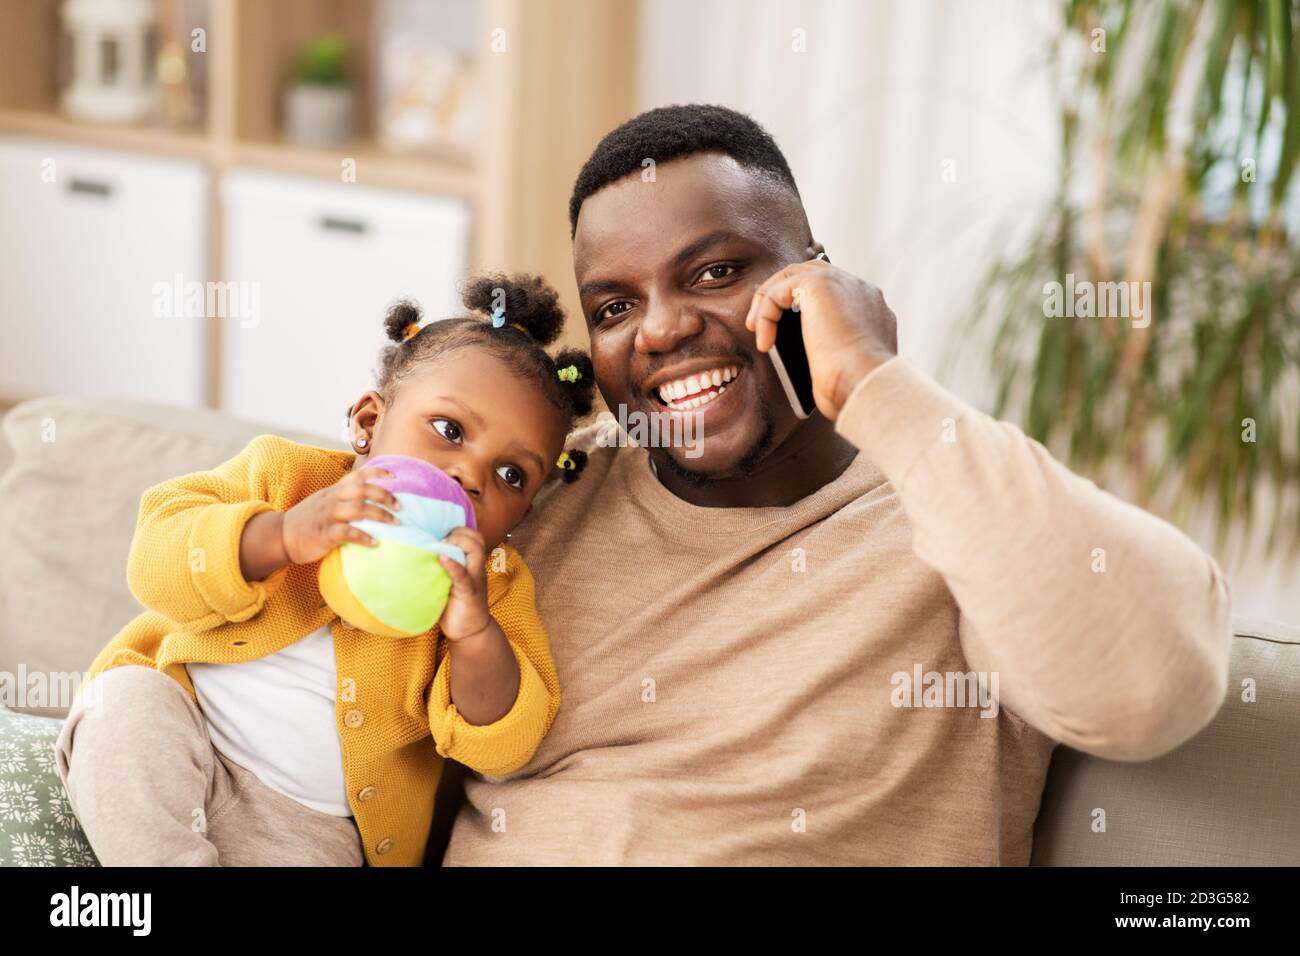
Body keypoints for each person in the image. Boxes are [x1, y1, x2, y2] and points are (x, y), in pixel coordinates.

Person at [439, 105, 1232, 865]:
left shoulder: (958, 508)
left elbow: (1155, 691)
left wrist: (869, 381)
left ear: (816, 282)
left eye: (715, 272)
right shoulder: (529, 493)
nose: (661, 328)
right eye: (615, 306)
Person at [55, 274, 596, 866]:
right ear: (368, 423)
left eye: (513, 474)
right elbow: (155, 559)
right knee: (122, 703)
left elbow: (506, 746)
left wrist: (471, 636)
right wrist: (282, 536)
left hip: (310, 829)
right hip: (185, 735)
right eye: (449, 430)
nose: (471, 475)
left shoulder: (488, 584)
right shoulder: (287, 477)